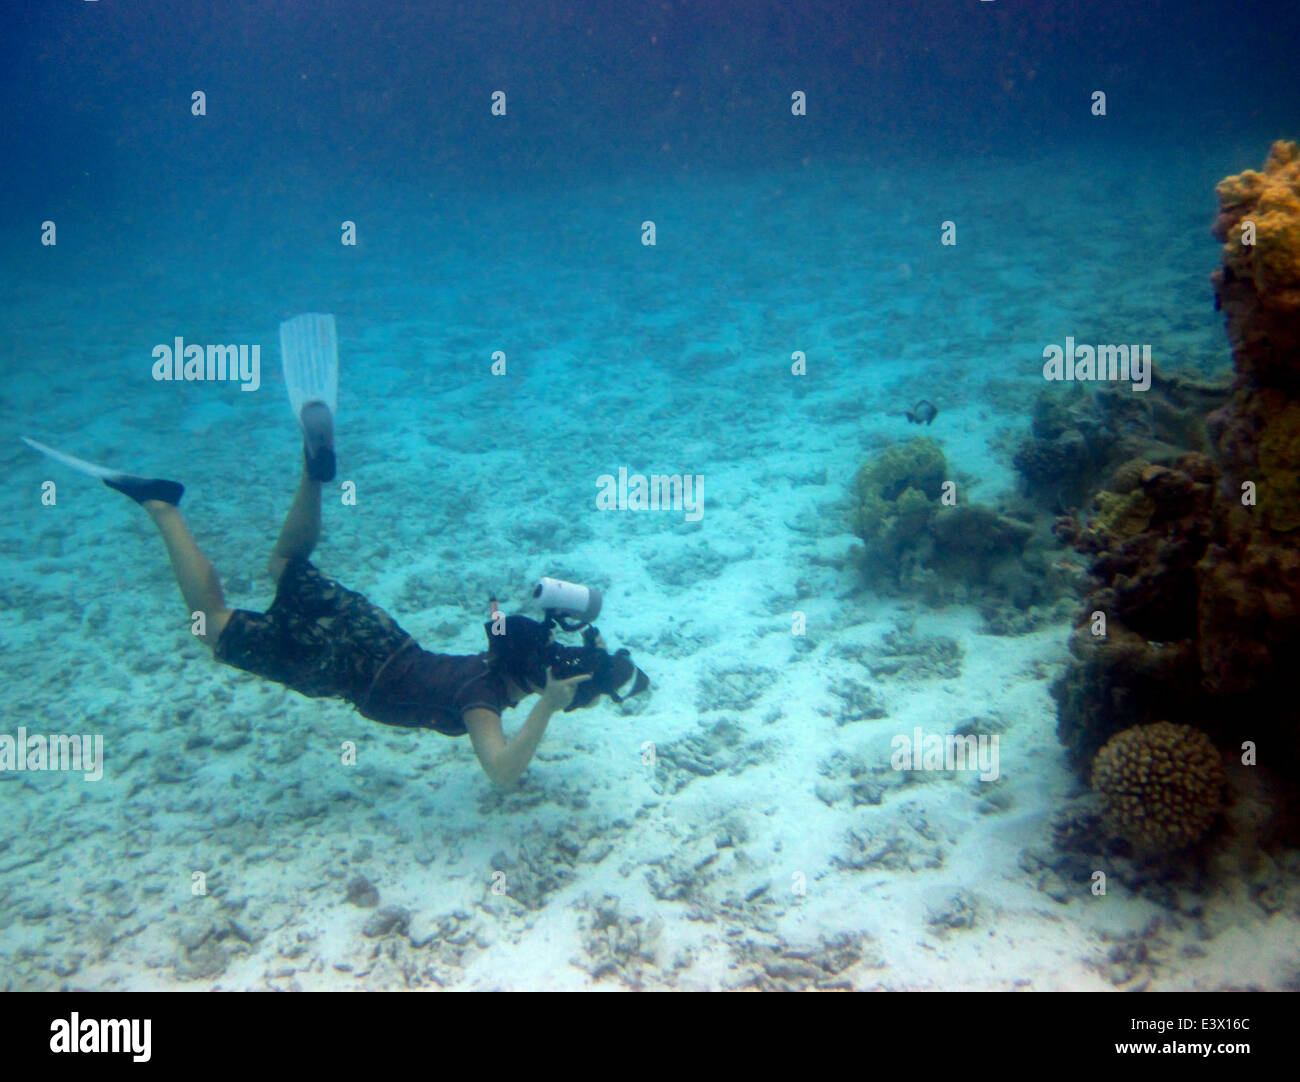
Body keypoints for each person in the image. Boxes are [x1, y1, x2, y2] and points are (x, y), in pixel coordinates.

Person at [22, 318, 598, 788]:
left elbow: (510, 630)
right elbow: (500, 772)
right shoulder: (482, 700)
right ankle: (162, 507)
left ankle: (312, 471)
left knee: (285, 567)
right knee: (213, 626)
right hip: (345, 667)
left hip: (380, 633)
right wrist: (546, 707)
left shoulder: (484, 666)